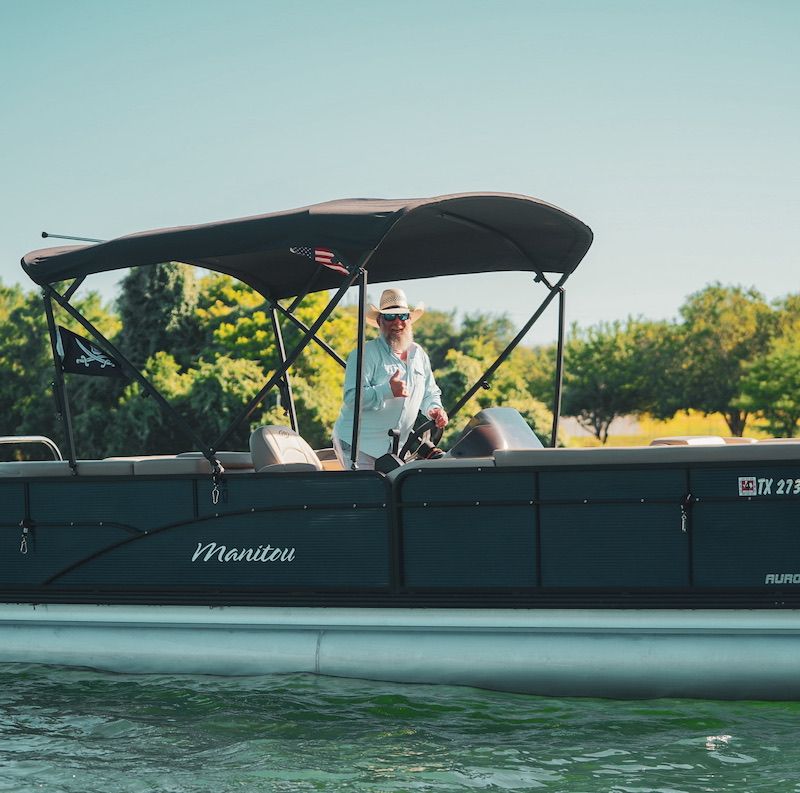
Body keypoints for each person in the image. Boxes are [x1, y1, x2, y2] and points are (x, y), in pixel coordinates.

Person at [332, 287, 448, 469]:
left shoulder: (419, 354)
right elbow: (351, 398)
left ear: (409, 320)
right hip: (358, 445)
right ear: (379, 321)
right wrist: (387, 390)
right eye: (389, 316)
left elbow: (430, 393)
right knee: (368, 495)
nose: (397, 322)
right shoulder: (365, 353)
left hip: (397, 450)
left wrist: (434, 409)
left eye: (402, 316)